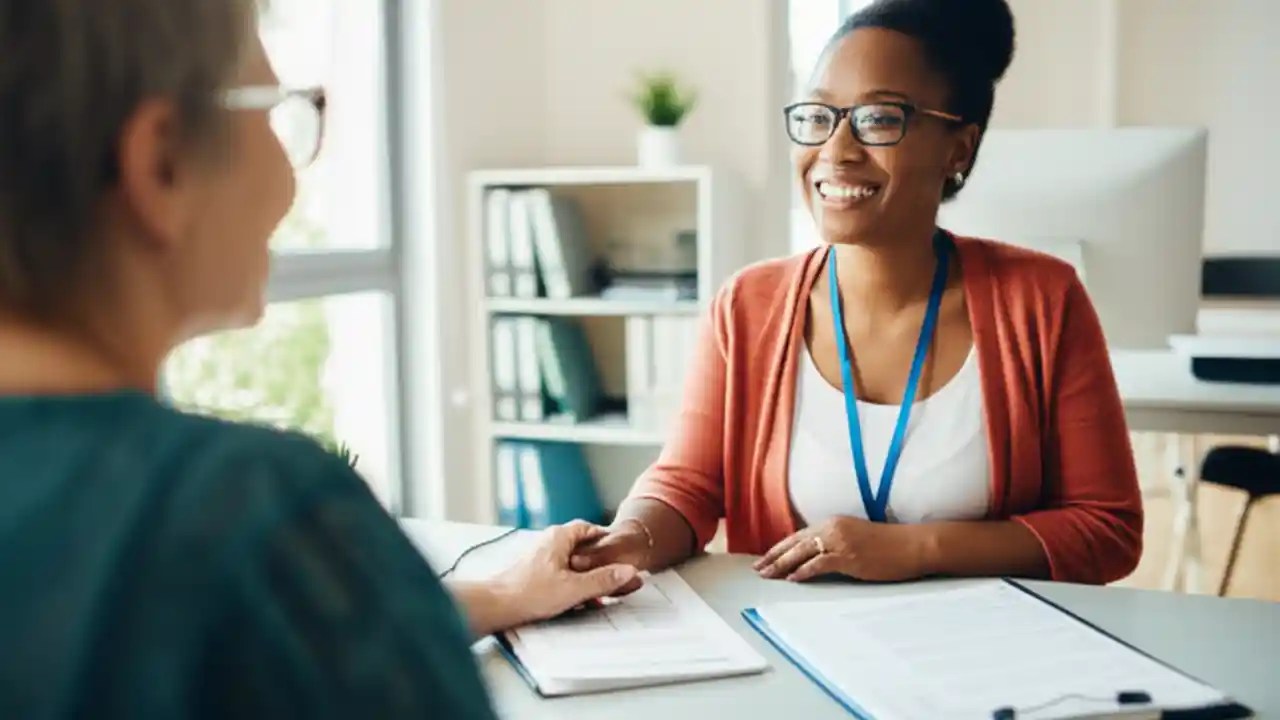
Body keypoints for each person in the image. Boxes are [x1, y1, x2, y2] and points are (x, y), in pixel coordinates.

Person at [0, 2, 636, 717]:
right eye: (278, 111)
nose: (290, 176)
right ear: (161, 162)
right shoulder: (259, 516)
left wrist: (504, 596)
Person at [574, 0, 1143, 587]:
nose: (836, 149)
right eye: (818, 116)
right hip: (795, 648)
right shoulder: (748, 304)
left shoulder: (1041, 300)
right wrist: (629, 539)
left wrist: (918, 549)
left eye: (877, 118)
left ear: (959, 149)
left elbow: (1107, 529)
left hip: (985, 653)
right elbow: (688, 483)